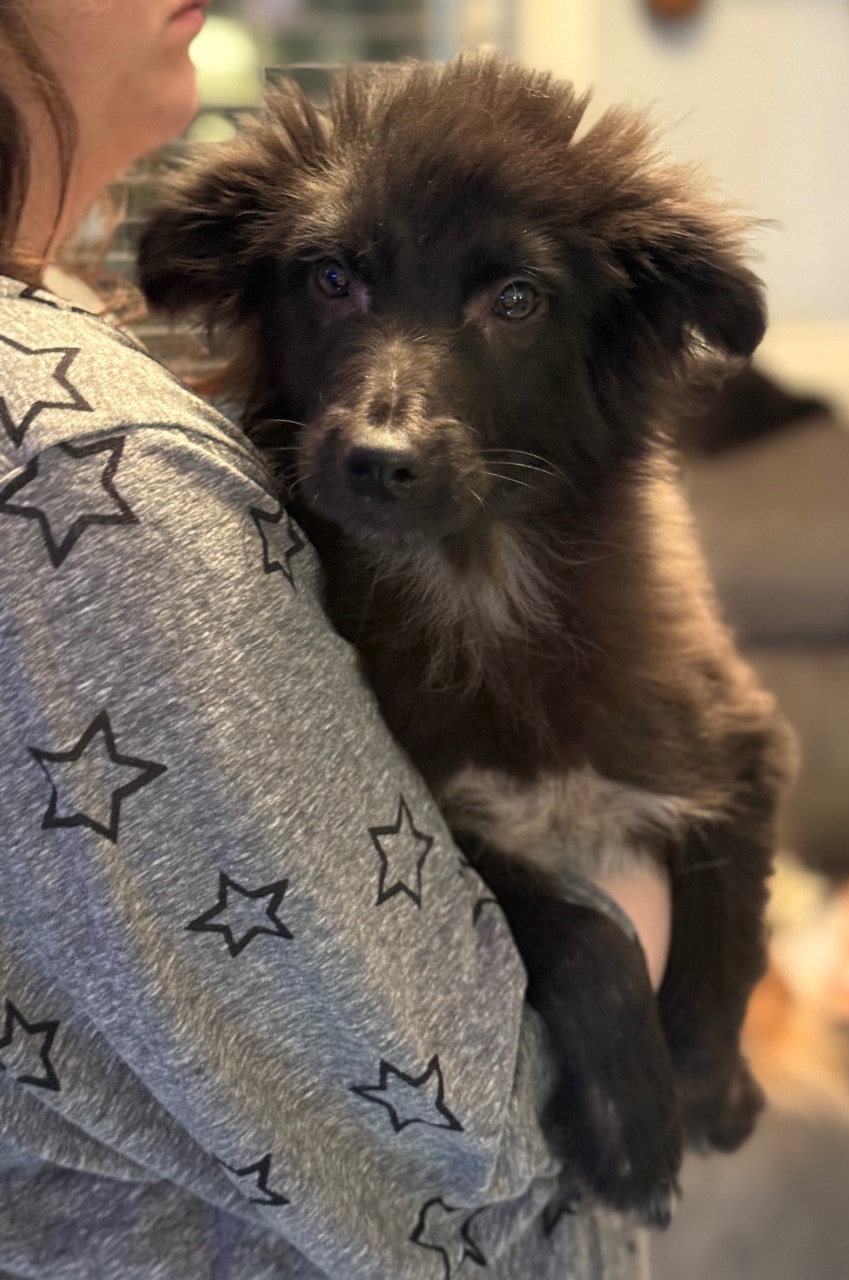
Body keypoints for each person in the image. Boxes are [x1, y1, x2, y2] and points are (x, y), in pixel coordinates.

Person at [0, 2, 671, 1275]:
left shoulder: (78, 357)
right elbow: (458, 1108)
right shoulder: (84, 465)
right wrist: (620, 906)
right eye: (333, 281)